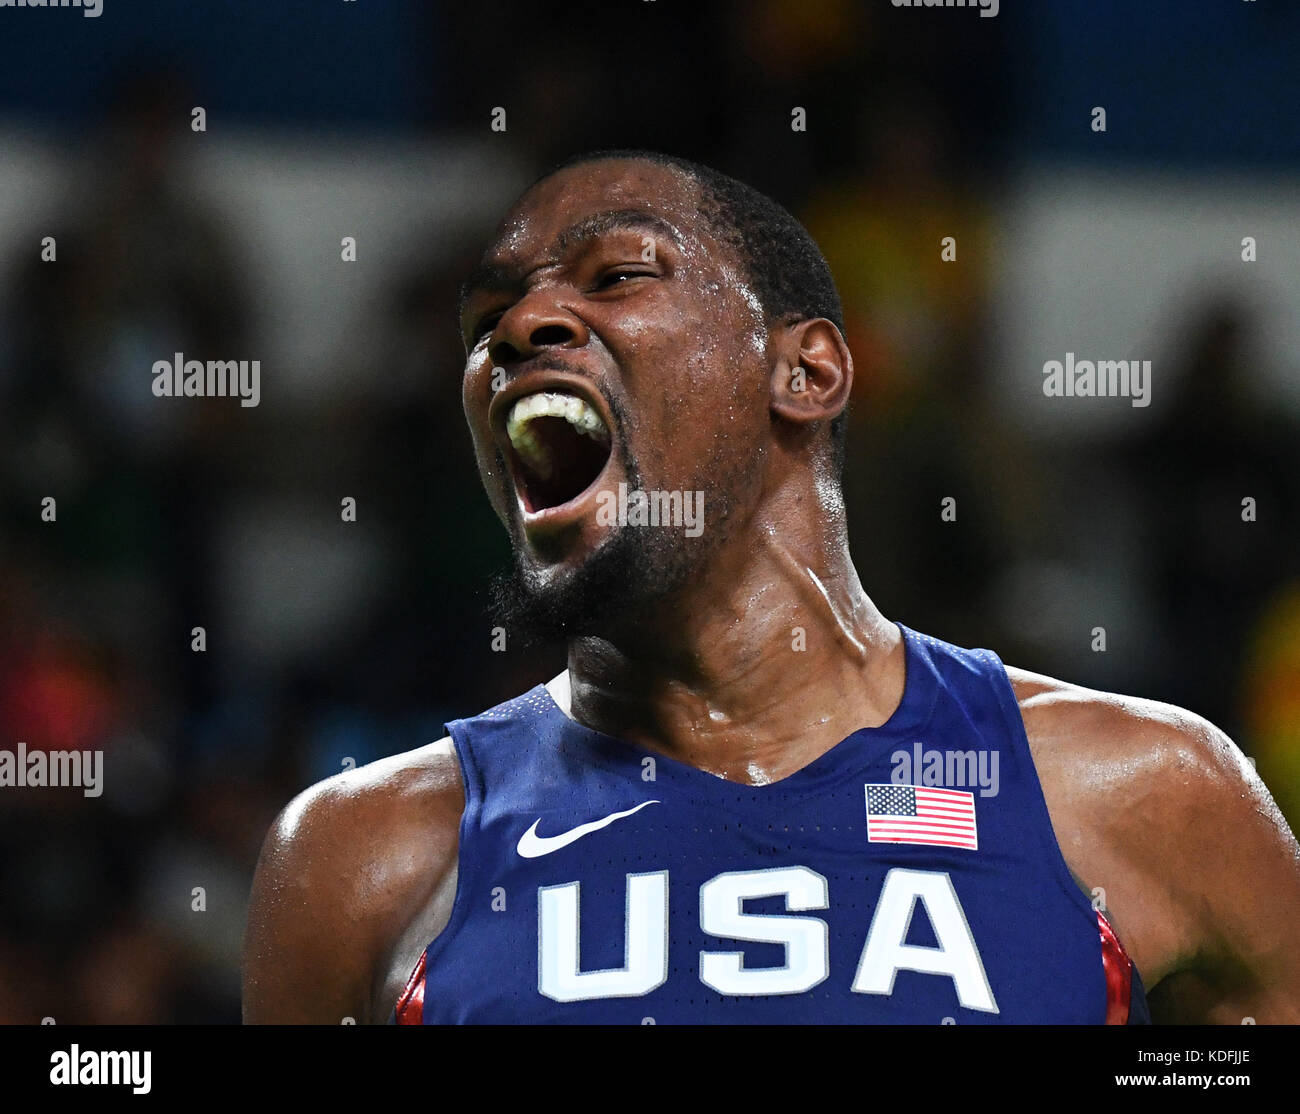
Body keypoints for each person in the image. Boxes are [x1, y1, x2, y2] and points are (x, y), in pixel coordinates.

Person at [243, 151, 1300, 1024]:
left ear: (806, 373)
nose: (519, 328)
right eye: (487, 323)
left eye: (615, 276)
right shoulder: (360, 860)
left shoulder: (1145, 791)